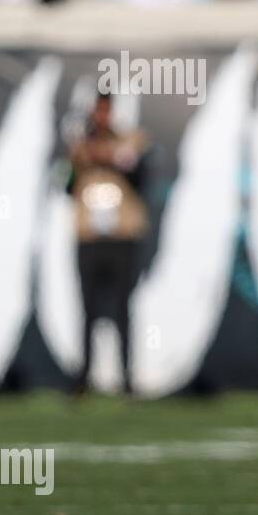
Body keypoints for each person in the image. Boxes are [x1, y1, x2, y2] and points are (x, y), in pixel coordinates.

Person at [68, 91, 149, 395]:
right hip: (90, 236)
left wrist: (112, 158)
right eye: (97, 112)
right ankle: (83, 377)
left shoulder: (131, 141)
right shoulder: (79, 147)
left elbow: (141, 178)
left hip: (121, 236)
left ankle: (127, 377)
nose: (102, 118)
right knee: (87, 309)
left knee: (122, 308)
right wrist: (82, 158)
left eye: (106, 111)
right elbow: (65, 184)